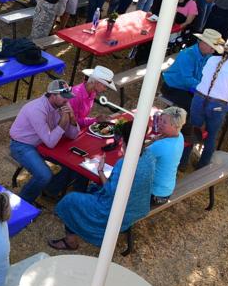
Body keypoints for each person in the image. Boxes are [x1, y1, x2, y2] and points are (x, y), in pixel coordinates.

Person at [50, 122, 156, 250]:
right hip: (138, 206)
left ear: (122, 140)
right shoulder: (149, 156)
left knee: (70, 200)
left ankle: (70, 240)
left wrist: (100, 171)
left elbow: (111, 191)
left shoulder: (125, 164)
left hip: (117, 210)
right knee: (91, 189)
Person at [10, 79, 80, 204]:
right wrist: (64, 121)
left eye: (68, 97)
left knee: (76, 163)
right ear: (52, 95)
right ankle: (23, 204)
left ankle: (50, 190)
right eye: (64, 97)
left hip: (41, 143)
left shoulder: (61, 105)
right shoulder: (37, 109)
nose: (67, 100)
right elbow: (50, 142)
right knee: (44, 175)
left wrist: (72, 119)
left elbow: (73, 136)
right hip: (22, 145)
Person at [185, 35, 228, 168]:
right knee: (211, 136)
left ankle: (182, 163)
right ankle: (202, 166)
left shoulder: (212, 60)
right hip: (217, 105)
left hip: (199, 97)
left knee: (191, 131)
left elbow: (206, 77)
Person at [161, 29, 225, 110]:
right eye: (212, 47)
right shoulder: (187, 55)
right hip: (173, 87)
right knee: (197, 106)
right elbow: (187, 80)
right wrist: (206, 88)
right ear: (203, 43)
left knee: (206, 103)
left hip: (189, 88)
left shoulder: (207, 56)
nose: (213, 51)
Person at [146, 106, 186, 204]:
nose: (159, 123)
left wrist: (152, 141)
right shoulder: (180, 136)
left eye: (164, 122)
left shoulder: (161, 145)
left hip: (155, 195)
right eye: (160, 119)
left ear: (175, 126)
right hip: (167, 189)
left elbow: (137, 155)